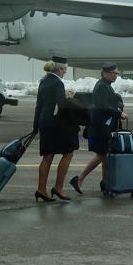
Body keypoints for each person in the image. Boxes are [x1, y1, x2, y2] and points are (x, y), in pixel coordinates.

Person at [69, 63, 127, 194]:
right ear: (105, 73)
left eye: (117, 73)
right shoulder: (102, 86)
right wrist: (119, 113)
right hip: (100, 126)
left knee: (104, 154)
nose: (115, 76)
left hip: (104, 126)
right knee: (101, 154)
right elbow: (102, 106)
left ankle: (105, 182)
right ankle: (80, 178)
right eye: (113, 73)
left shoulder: (106, 86)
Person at [33, 61, 78, 201]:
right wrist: (70, 98)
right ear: (59, 69)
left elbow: (39, 104)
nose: (65, 72)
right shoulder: (58, 83)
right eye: (64, 69)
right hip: (57, 124)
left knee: (47, 156)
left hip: (44, 121)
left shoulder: (44, 81)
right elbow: (62, 105)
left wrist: (36, 125)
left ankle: (41, 189)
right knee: (69, 152)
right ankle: (58, 187)